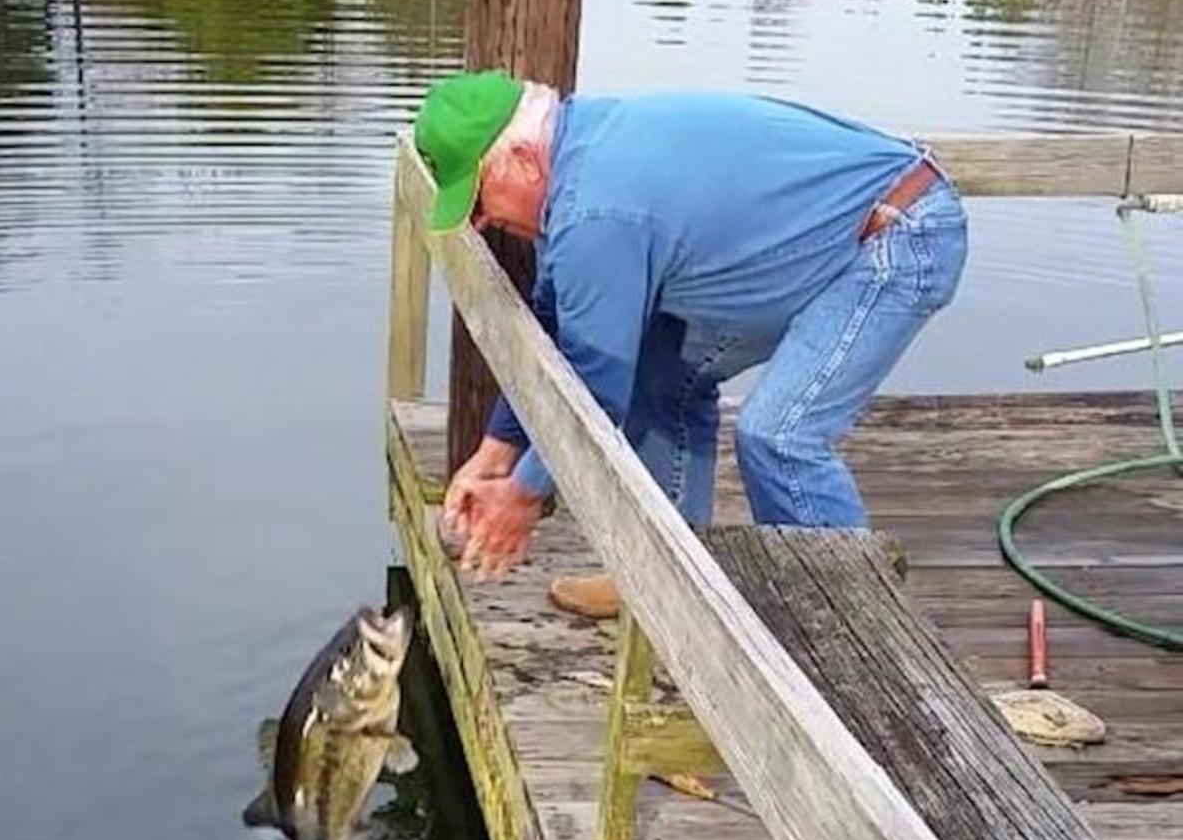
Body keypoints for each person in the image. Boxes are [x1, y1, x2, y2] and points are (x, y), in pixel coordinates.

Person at [412, 70, 968, 617]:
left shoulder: (595, 213)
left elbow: (595, 397)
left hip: (900, 231)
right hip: (852, 221)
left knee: (779, 437)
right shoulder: (580, 158)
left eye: (479, 196)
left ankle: (856, 623)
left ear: (523, 162)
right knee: (662, 371)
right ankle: (667, 580)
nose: (482, 222)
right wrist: (496, 453)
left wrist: (524, 496)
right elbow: (558, 333)